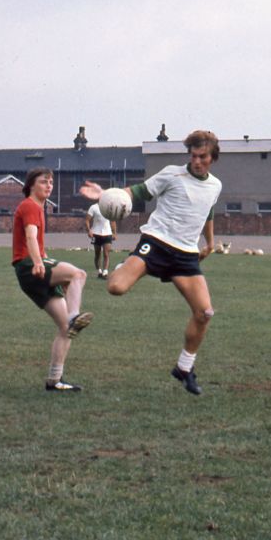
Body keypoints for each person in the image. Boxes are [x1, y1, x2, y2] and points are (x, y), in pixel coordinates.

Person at [86, 129, 221, 396]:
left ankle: (184, 368)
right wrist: (108, 195)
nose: (197, 161)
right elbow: (138, 191)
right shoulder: (172, 173)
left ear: (213, 157)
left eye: (202, 156)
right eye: (193, 156)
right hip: (156, 243)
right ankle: (123, 265)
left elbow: (208, 213)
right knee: (116, 288)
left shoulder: (215, 185)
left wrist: (209, 243)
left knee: (204, 313)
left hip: (185, 255)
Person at [12, 167, 94, 392]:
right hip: (29, 266)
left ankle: (54, 380)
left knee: (64, 328)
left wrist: (42, 257)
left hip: (29, 271)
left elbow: (35, 241)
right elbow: (30, 236)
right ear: (30, 185)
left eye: (50, 182)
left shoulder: (39, 207)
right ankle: (75, 315)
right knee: (79, 274)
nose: (48, 186)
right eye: (43, 182)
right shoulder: (29, 205)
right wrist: (38, 262)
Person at [85, 198, 116, 279]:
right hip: (96, 233)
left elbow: (113, 221)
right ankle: (99, 271)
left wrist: (114, 232)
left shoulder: (109, 207)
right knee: (97, 254)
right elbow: (87, 220)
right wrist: (89, 231)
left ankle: (105, 272)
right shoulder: (93, 207)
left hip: (107, 234)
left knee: (106, 254)